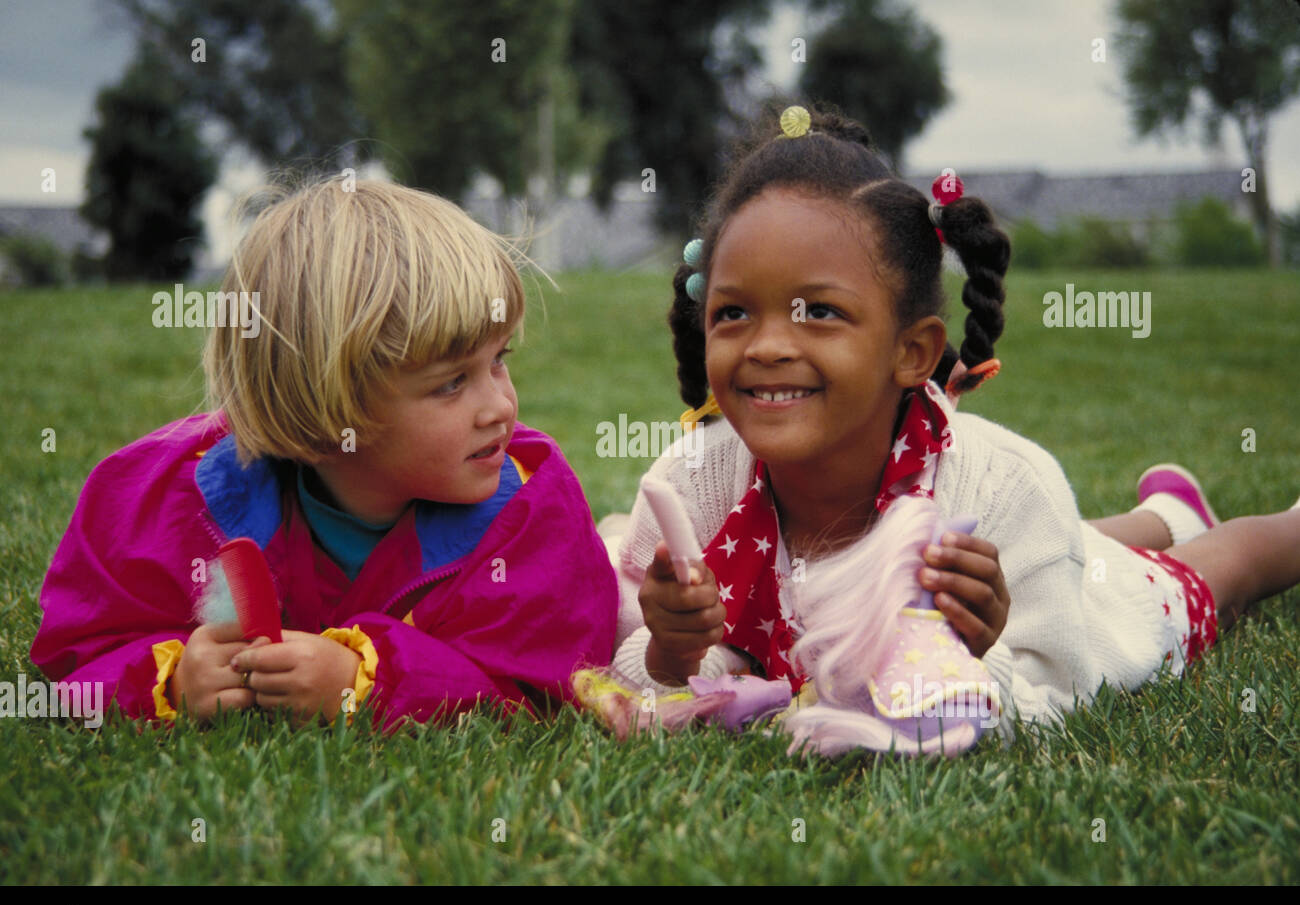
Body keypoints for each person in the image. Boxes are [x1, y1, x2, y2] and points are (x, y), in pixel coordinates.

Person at [608, 106, 1300, 743]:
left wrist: (973, 657)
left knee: (1208, 575)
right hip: (1046, 551)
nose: (764, 346)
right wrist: (671, 650)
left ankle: (1263, 529)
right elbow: (633, 665)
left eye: (817, 311)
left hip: (1087, 605)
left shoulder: (1005, 490)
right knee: (1080, 546)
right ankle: (1167, 511)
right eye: (733, 313)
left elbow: (1054, 695)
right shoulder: (691, 483)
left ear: (913, 352)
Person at [30, 177, 617, 729]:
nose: (502, 407)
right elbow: (76, 654)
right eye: (450, 383)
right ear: (329, 405)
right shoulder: (163, 498)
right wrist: (171, 679)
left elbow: (549, 684)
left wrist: (368, 680)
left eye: (499, 360)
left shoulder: (530, 508)